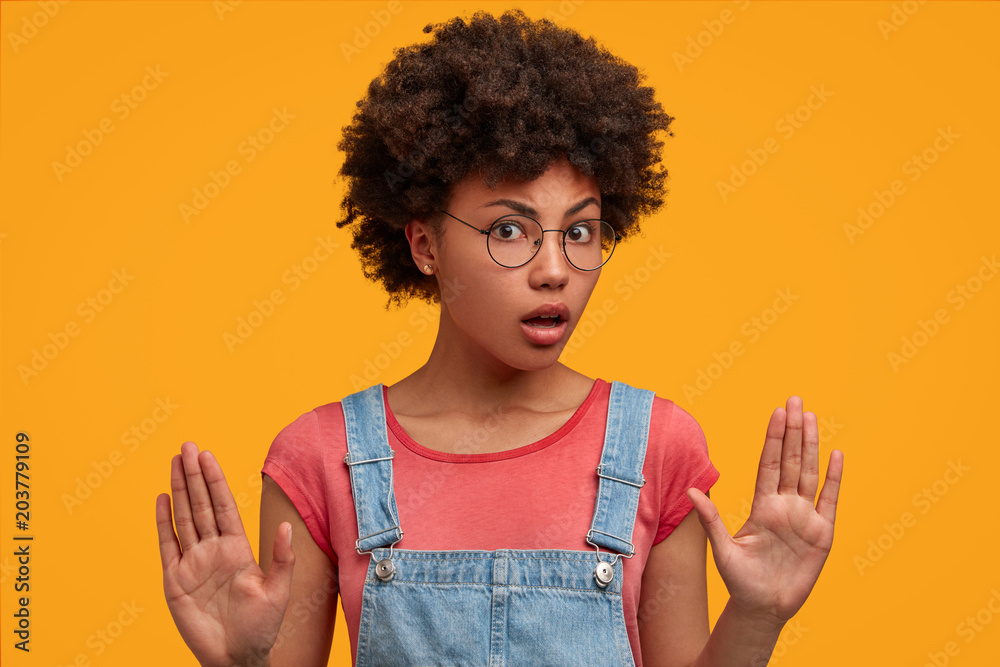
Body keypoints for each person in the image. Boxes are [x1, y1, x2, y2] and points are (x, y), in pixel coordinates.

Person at [154, 10, 844, 667]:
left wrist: (756, 614)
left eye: (579, 231)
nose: (554, 271)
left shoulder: (658, 446)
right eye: (509, 230)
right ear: (424, 243)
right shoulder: (320, 458)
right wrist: (244, 662)